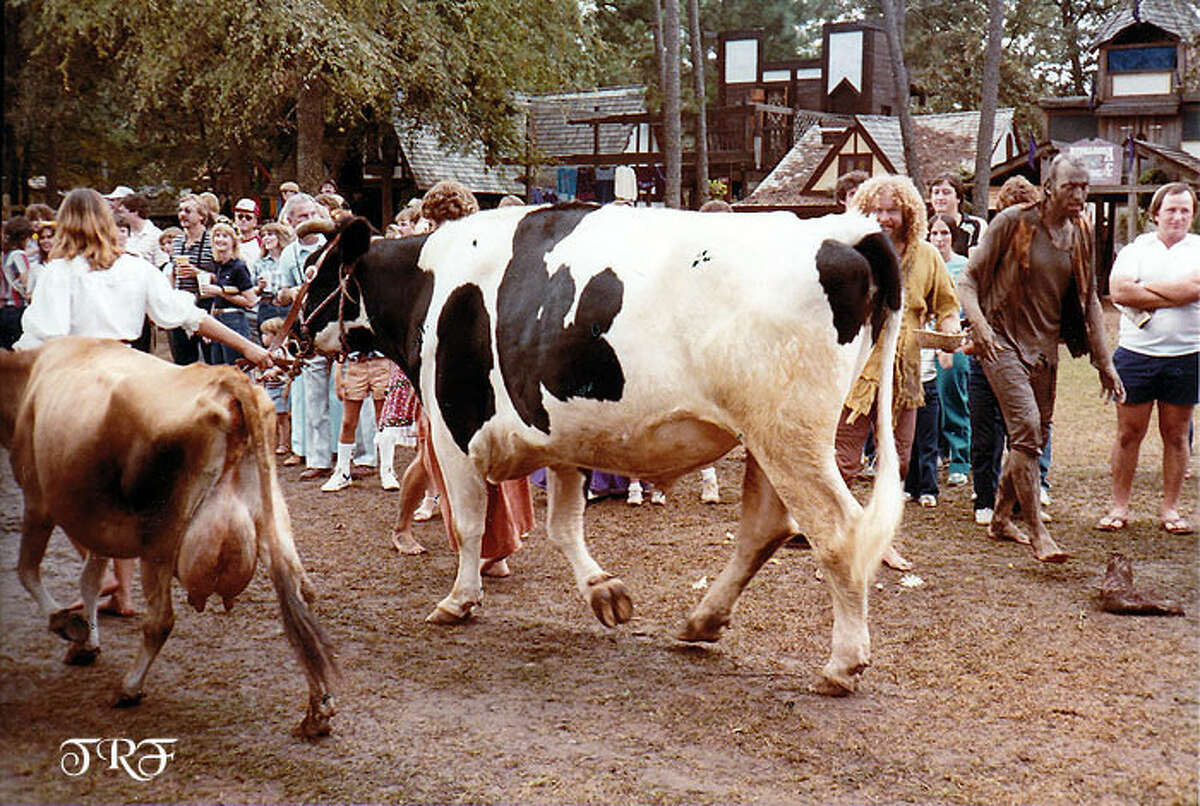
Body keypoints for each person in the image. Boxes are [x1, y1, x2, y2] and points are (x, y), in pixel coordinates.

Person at [15, 188, 274, 616]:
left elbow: (44, 337)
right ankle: (123, 590)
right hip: (131, 372)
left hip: (77, 381)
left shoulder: (58, 272)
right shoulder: (136, 268)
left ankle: (109, 576)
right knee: (123, 493)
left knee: (51, 486)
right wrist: (250, 348)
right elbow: (188, 315)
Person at [957, 154, 1124, 562]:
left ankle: (1000, 518)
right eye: (1070, 187)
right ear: (1049, 188)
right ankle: (1037, 533)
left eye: (1085, 187)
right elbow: (968, 281)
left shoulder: (1081, 232)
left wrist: (1104, 361)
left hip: (1044, 349)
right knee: (1027, 427)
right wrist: (979, 325)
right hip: (1000, 341)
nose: (1079, 195)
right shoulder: (1013, 222)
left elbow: (1090, 301)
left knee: (1035, 436)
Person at [390, 181, 534, 571]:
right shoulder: (424, 259)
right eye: (443, 222)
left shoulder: (478, 249)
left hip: (477, 368)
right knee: (433, 455)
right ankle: (404, 527)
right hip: (433, 368)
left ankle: (495, 545)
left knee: (477, 457)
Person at [836, 174, 961, 570]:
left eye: (892, 210)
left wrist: (949, 331)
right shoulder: (854, 252)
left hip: (906, 373)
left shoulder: (927, 255)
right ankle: (839, 544)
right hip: (858, 370)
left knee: (898, 462)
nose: (884, 218)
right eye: (877, 210)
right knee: (843, 461)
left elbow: (947, 305)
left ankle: (882, 543)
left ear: (908, 213)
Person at [1098, 182, 1199, 535]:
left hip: (1186, 356)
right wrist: (1177, 295)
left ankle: (1170, 509)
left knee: (1176, 435)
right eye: (1171, 210)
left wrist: (1144, 291)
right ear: (1155, 214)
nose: (1178, 217)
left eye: (1185, 210)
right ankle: (1119, 506)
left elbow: (1196, 288)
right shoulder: (1135, 250)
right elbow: (1119, 291)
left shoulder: (1198, 250)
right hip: (1136, 356)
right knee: (1128, 434)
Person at [967, 176, 1042, 526]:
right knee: (985, 433)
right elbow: (970, 296)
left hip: (1026, 358)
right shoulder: (986, 253)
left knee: (1025, 434)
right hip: (987, 355)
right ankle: (984, 498)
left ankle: (1020, 502)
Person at [927, 214, 971, 488]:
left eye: (944, 233)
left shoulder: (963, 266)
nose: (939, 239)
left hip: (954, 342)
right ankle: (933, 455)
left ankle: (960, 459)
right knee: (928, 403)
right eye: (934, 233)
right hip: (924, 343)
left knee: (953, 399)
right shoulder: (923, 264)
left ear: (953, 236)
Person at [165, 193, 217, 364]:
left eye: (188, 211)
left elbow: (223, 277)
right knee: (182, 359)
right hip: (181, 303)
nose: (182, 215)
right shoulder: (178, 241)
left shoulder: (212, 240)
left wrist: (197, 273)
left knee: (210, 359)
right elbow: (173, 272)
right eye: (180, 210)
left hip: (206, 303)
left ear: (201, 216)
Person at [204, 221, 258, 365]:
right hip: (217, 320)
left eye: (225, 236)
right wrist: (209, 326)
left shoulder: (238, 266)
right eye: (217, 235)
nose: (220, 239)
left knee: (235, 368)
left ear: (233, 241)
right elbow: (216, 301)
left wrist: (221, 292)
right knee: (218, 369)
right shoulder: (218, 265)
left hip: (234, 320)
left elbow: (251, 301)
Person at [928, 172, 987, 256]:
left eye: (946, 192)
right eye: (936, 192)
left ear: (958, 198)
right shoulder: (924, 228)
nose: (940, 197)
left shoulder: (976, 225)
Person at [2, 216, 34, 349]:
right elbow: (26, 280)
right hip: (17, 308)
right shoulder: (20, 255)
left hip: (4, 308)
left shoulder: (5, 255)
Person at [115, 194, 165, 267]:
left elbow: (162, 265)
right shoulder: (123, 234)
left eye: (122, 212)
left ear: (135, 212)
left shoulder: (156, 235)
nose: (120, 215)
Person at [232, 198, 263, 267]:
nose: (243, 220)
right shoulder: (230, 241)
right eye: (240, 217)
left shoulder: (261, 243)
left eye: (248, 217)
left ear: (255, 222)